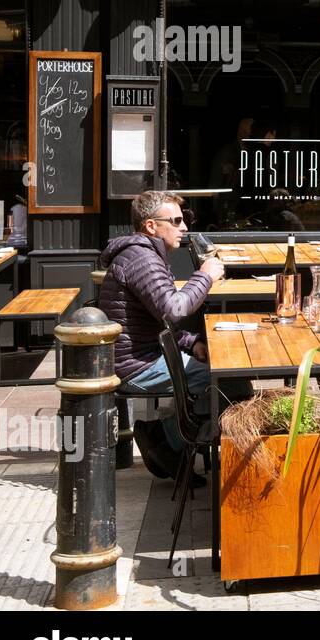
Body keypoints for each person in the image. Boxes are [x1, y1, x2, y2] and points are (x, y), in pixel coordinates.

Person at [97, 190, 226, 481]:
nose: (184, 228)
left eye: (185, 220)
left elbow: (158, 322)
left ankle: (172, 441)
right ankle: (166, 438)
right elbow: (173, 309)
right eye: (177, 221)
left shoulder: (146, 255)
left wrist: (192, 343)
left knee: (222, 374)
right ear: (151, 226)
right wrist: (205, 276)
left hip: (144, 355)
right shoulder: (142, 259)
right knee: (224, 381)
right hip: (136, 366)